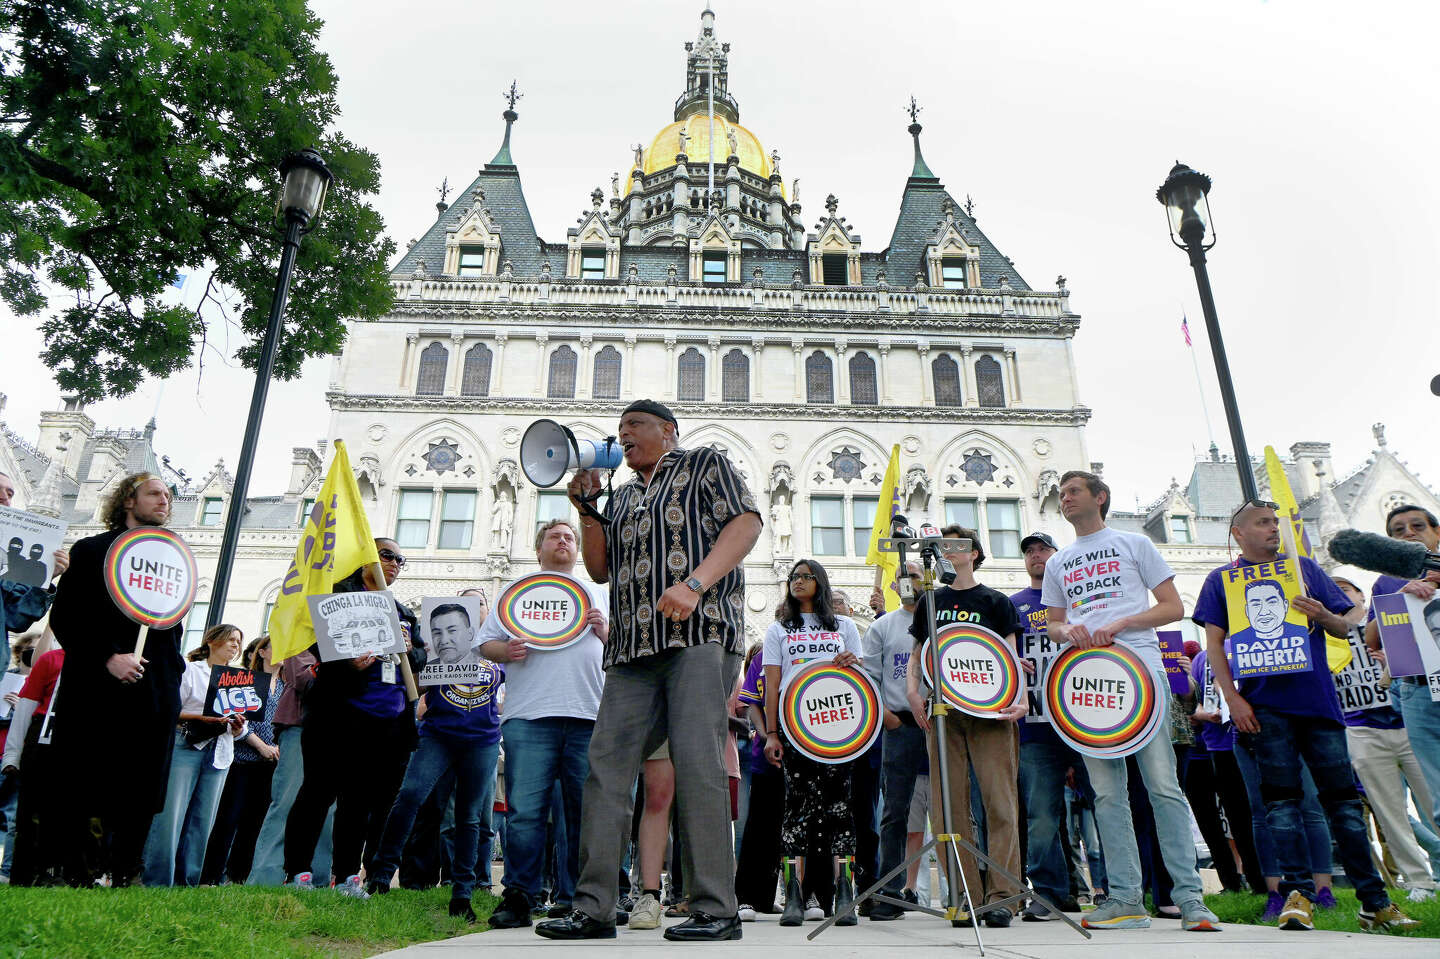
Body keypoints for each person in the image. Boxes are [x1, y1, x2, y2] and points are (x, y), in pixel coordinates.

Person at [538, 399, 761, 941]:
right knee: (606, 770)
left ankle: (715, 907)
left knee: (699, 764)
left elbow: (746, 524)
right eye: (620, 429)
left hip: (699, 637)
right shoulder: (625, 495)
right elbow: (600, 567)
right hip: (632, 651)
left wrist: (694, 584)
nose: (625, 435)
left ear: (669, 430)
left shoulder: (704, 462)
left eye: (634, 426)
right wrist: (589, 510)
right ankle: (593, 907)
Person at [1195, 500, 1416, 932]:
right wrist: (1233, 700)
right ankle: (1296, 896)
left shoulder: (1303, 569)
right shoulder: (1220, 580)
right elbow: (1215, 645)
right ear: (1238, 533)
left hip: (1318, 705)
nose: (1272, 529)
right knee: (1281, 806)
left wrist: (1325, 615)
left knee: (1344, 806)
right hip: (1265, 709)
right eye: (1262, 523)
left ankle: (1375, 902)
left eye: (1274, 522)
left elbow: (1345, 624)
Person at [1041, 470, 1220, 932]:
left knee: (1162, 785)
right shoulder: (1060, 561)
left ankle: (1190, 899)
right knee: (1105, 792)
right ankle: (1124, 899)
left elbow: (1172, 607)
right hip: (1085, 684)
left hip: (1141, 673)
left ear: (1100, 498)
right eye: (1061, 494)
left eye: (1073, 492)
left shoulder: (1134, 544)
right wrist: (1068, 631)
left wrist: (1120, 624)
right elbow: (1053, 623)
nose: (1065, 499)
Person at [48, 472, 187, 886]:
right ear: (129, 500)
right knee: (87, 779)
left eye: (168, 495)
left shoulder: (173, 558)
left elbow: (171, 626)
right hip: (98, 688)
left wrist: (170, 680)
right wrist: (107, 657)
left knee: (142, 785)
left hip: (155, 688)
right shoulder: (91, 551)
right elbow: (66, 617)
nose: (165, 501)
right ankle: (78, 871)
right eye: (154, 494)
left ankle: (127, 870)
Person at [479, 520, 607, 929]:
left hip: (588, 714)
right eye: (556, 536)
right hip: (529, 715)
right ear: (540, 550)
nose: (565, 542)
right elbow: (486, 644)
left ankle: (581, 898)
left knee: (584, 814)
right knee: (525, 814)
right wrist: (506, 649)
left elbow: (623, 649)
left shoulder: (598, 593)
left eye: (570, 537)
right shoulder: (516, 593)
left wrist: (605, 630)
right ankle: (519, 896)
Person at [282, 538, 426, 896]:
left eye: (400, 558)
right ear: (365, 559)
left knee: (359, 801)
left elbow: (421, 657)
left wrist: (411, 651)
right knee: (318, 792)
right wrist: (345, 663)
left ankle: (346, 875)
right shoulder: (334, 596)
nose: (393, 562)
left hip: (387, 720)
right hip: (340, 713)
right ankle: (297, 871)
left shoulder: (402, 612)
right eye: (386, 555)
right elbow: (310, 645)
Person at [904, 526, 1028, 928]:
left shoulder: (995, 600)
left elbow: (1009, 653)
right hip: (943, 708)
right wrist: (911, 691)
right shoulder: (930, 600)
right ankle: (964, 896)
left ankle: (1003, 896)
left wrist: (1021, 697)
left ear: (974, 553)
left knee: (1000, 802)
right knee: (946, 809)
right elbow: (918, 651)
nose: (949, 551)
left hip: (991, 710)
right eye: (944, 545)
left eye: (958, 545)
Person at [367, 612, 504, 922]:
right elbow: (414, 687)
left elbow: (508, 690)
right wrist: (411, 658)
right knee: (410, 796)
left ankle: (462, 894)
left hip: (481, 741)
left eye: (481, 603)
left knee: (468, 816)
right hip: (438, 735)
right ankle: (380, 875)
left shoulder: (495, 649)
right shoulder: (433, 647)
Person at [762, 559, 864, 928]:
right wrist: (772, 732)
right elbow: (772, 684)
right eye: (794, 577)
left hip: (839, 729)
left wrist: (853, 663)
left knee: (840, 810)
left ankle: (844, 892)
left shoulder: (845, 626)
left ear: (820, 582)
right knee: (796, 810)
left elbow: (862, 680)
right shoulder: (779, 630)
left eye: (805, 576)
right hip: (794, 730)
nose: (797, 582)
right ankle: (793, 895)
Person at [1331, 575, 1436, 901]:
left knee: (1433, 801)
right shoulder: (1327, 641)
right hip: (1361, 729)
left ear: (1363, 597)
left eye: (1346, 590)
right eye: (1333, 593)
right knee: (1390, 811)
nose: (1341, 597)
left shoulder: (1389, 623)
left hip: (1405, 723)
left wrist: (1388, 666)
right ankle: (1419, 880)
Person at [1011, 531, 1092, 921]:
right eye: (1029, 551)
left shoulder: (1082, 598)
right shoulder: (1012, 607)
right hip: (1036, 725)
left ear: (1058, 556)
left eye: (1042, 549)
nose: (1035, 555)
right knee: (1041, 816)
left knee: (1108, 808)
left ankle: (1127, 889)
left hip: (1088, 721)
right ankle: (1049, 893)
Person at [142, 624, 248, 885]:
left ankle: (187, 880)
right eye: (230, 640)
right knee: (172, 814)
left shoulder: (238, 679)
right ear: (212, 641)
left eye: (238, 642)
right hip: (187, 742)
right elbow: (172, 709)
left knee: (203, 819)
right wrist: (204, 717)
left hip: (220, 749)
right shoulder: (191, 670)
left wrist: (237, 725)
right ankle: (157, 879)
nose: (235, 646)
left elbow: (242, 723)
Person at [1364, 505, 1440, 831]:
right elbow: (1371, 637)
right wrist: (1401, 596)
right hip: (1416, 690)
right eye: (1397, 531)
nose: (1408, 532)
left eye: (1417, 525)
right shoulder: (1387, 581)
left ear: (1437, 532)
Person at [865, 561, 929, 921]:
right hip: (900, 725)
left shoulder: (942, 619)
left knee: (955, 809)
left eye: (915, 575)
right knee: (894, 812)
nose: (908, 582)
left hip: (941, 724)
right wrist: (887, 717)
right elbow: (870, 675)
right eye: (902, 577)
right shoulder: (883, 627)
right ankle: (891, 891)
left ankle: (968, 890)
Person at [201, 635, 282, 886]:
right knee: (228, 820)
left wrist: (278, 747)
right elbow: (235, 720)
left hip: (271, 765)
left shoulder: (287, 688)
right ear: (262, 652)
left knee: (254, 824)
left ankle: (238, 877)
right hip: (241, 761)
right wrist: (260, 745)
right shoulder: (244, 679)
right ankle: (211, 876)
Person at [2, 642, 63, 885]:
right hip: (41, 742)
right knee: (29, 815)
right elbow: (26, 706)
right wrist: (12, 755)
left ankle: (57, 873)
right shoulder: (51, 660)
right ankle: (24, 874)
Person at [734, 642, 781, 920]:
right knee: (758, 827)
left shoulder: (814, 650)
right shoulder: (762, 659)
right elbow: (751, 701)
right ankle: (747, 898)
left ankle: (769, 896)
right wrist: (766, 735)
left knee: (783, 830)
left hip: (806, 754)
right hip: (765, 757)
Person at [0, 471, 68, 643]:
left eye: (9, 494)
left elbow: (16, 620)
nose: (4, 498)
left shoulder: (11, 563)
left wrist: (46, 579)